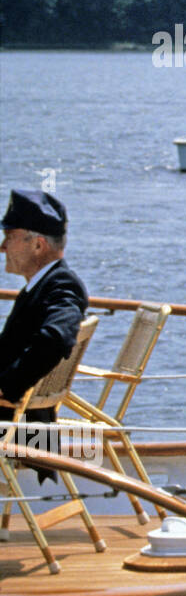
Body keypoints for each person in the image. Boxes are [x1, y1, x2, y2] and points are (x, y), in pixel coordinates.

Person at [0, 190, 89, 480]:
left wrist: (7, 389)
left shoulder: (62, 286)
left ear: (37, 245)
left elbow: (56, 338)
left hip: (17, 425)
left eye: (9, 238)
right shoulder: (43, 285)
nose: (2, 247)